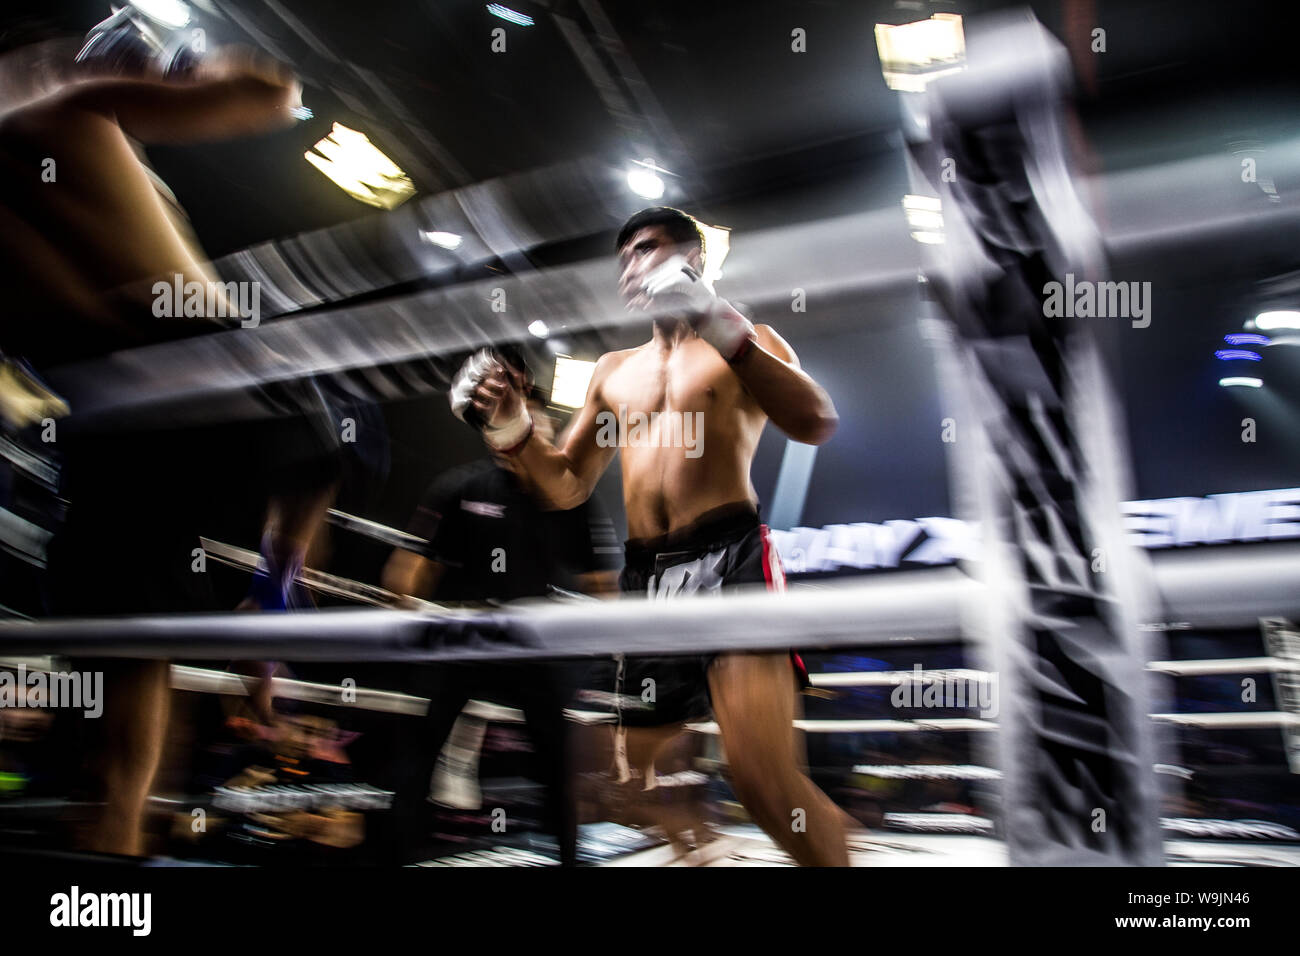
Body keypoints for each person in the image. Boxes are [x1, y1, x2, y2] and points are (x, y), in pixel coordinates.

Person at [0, 29, 338, 856]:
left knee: (123, 655)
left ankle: (113, 845)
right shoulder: (66, 103)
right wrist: (184, 62)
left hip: (111, 430)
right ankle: (271, 623)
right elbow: (269, 93)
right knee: (318, 448)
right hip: (213, 389)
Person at [454, 206, 848, 865]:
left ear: (697, 258)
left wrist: (723, 324)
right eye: (627, 257)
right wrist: (509, 426)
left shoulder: (746, 342)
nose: (636, 264)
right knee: (619, 782)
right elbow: (568, 484)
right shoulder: (613, 371)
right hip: (651, 577)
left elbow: (815, 421)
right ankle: (698, 838)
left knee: (765, 782)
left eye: (649, 248)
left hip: (731, 560)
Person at [383, 348, 618, 865]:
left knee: (556, 761)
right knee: (419, 751)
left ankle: (568, 859)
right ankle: (399, 854)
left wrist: (611, 659)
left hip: (531, 639)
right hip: (466, 634)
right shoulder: (460, 486)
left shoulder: (568, 498)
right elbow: (408, 573)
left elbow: (603, 584)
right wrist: (414, 619)